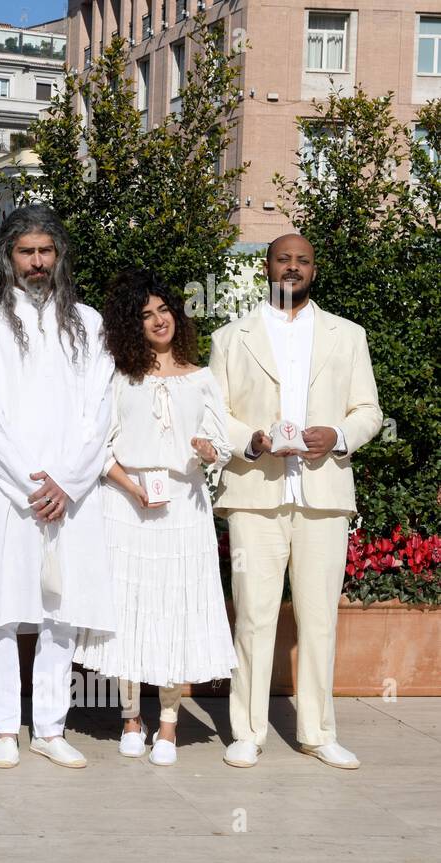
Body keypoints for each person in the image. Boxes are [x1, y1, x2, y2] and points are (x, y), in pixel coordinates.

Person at [210, 233, 382, 770]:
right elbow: (215, 415)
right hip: (254, 494)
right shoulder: (230, 338)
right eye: (283, 258)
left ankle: (317, 732)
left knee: (319, 618)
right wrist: (251, 440)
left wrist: (339, 434)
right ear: (266, 266)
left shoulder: (348, 335)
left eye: (302, 260)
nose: (293, 267)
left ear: (314, 269)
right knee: (254, 618)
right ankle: (249, 731)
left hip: (323, 496)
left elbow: (369, 409)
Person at [0, 204, 116, 770]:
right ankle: (5, 728)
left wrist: (68, 483)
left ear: (59, 256)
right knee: (4, 610)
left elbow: (101, 412)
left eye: (45, 252)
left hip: (70, 497)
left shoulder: (91, 323)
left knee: (60, 612)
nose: (35, 262)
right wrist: (30, 483)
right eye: (25, 252)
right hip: (13, 495)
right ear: (8, 257)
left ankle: (50, 727)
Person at [73, 271, 236, 766]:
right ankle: (129, 718)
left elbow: (223, 442)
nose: (158, 319)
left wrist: (210, 451)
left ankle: (168, 724)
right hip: (128, 509)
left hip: (185, 509)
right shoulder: (120, 379)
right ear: (132, 325)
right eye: (146, 314)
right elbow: (99, 449)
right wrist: (133, 488)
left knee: (174, 613)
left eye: (164, 309)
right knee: (129, 612)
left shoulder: (202, 377)